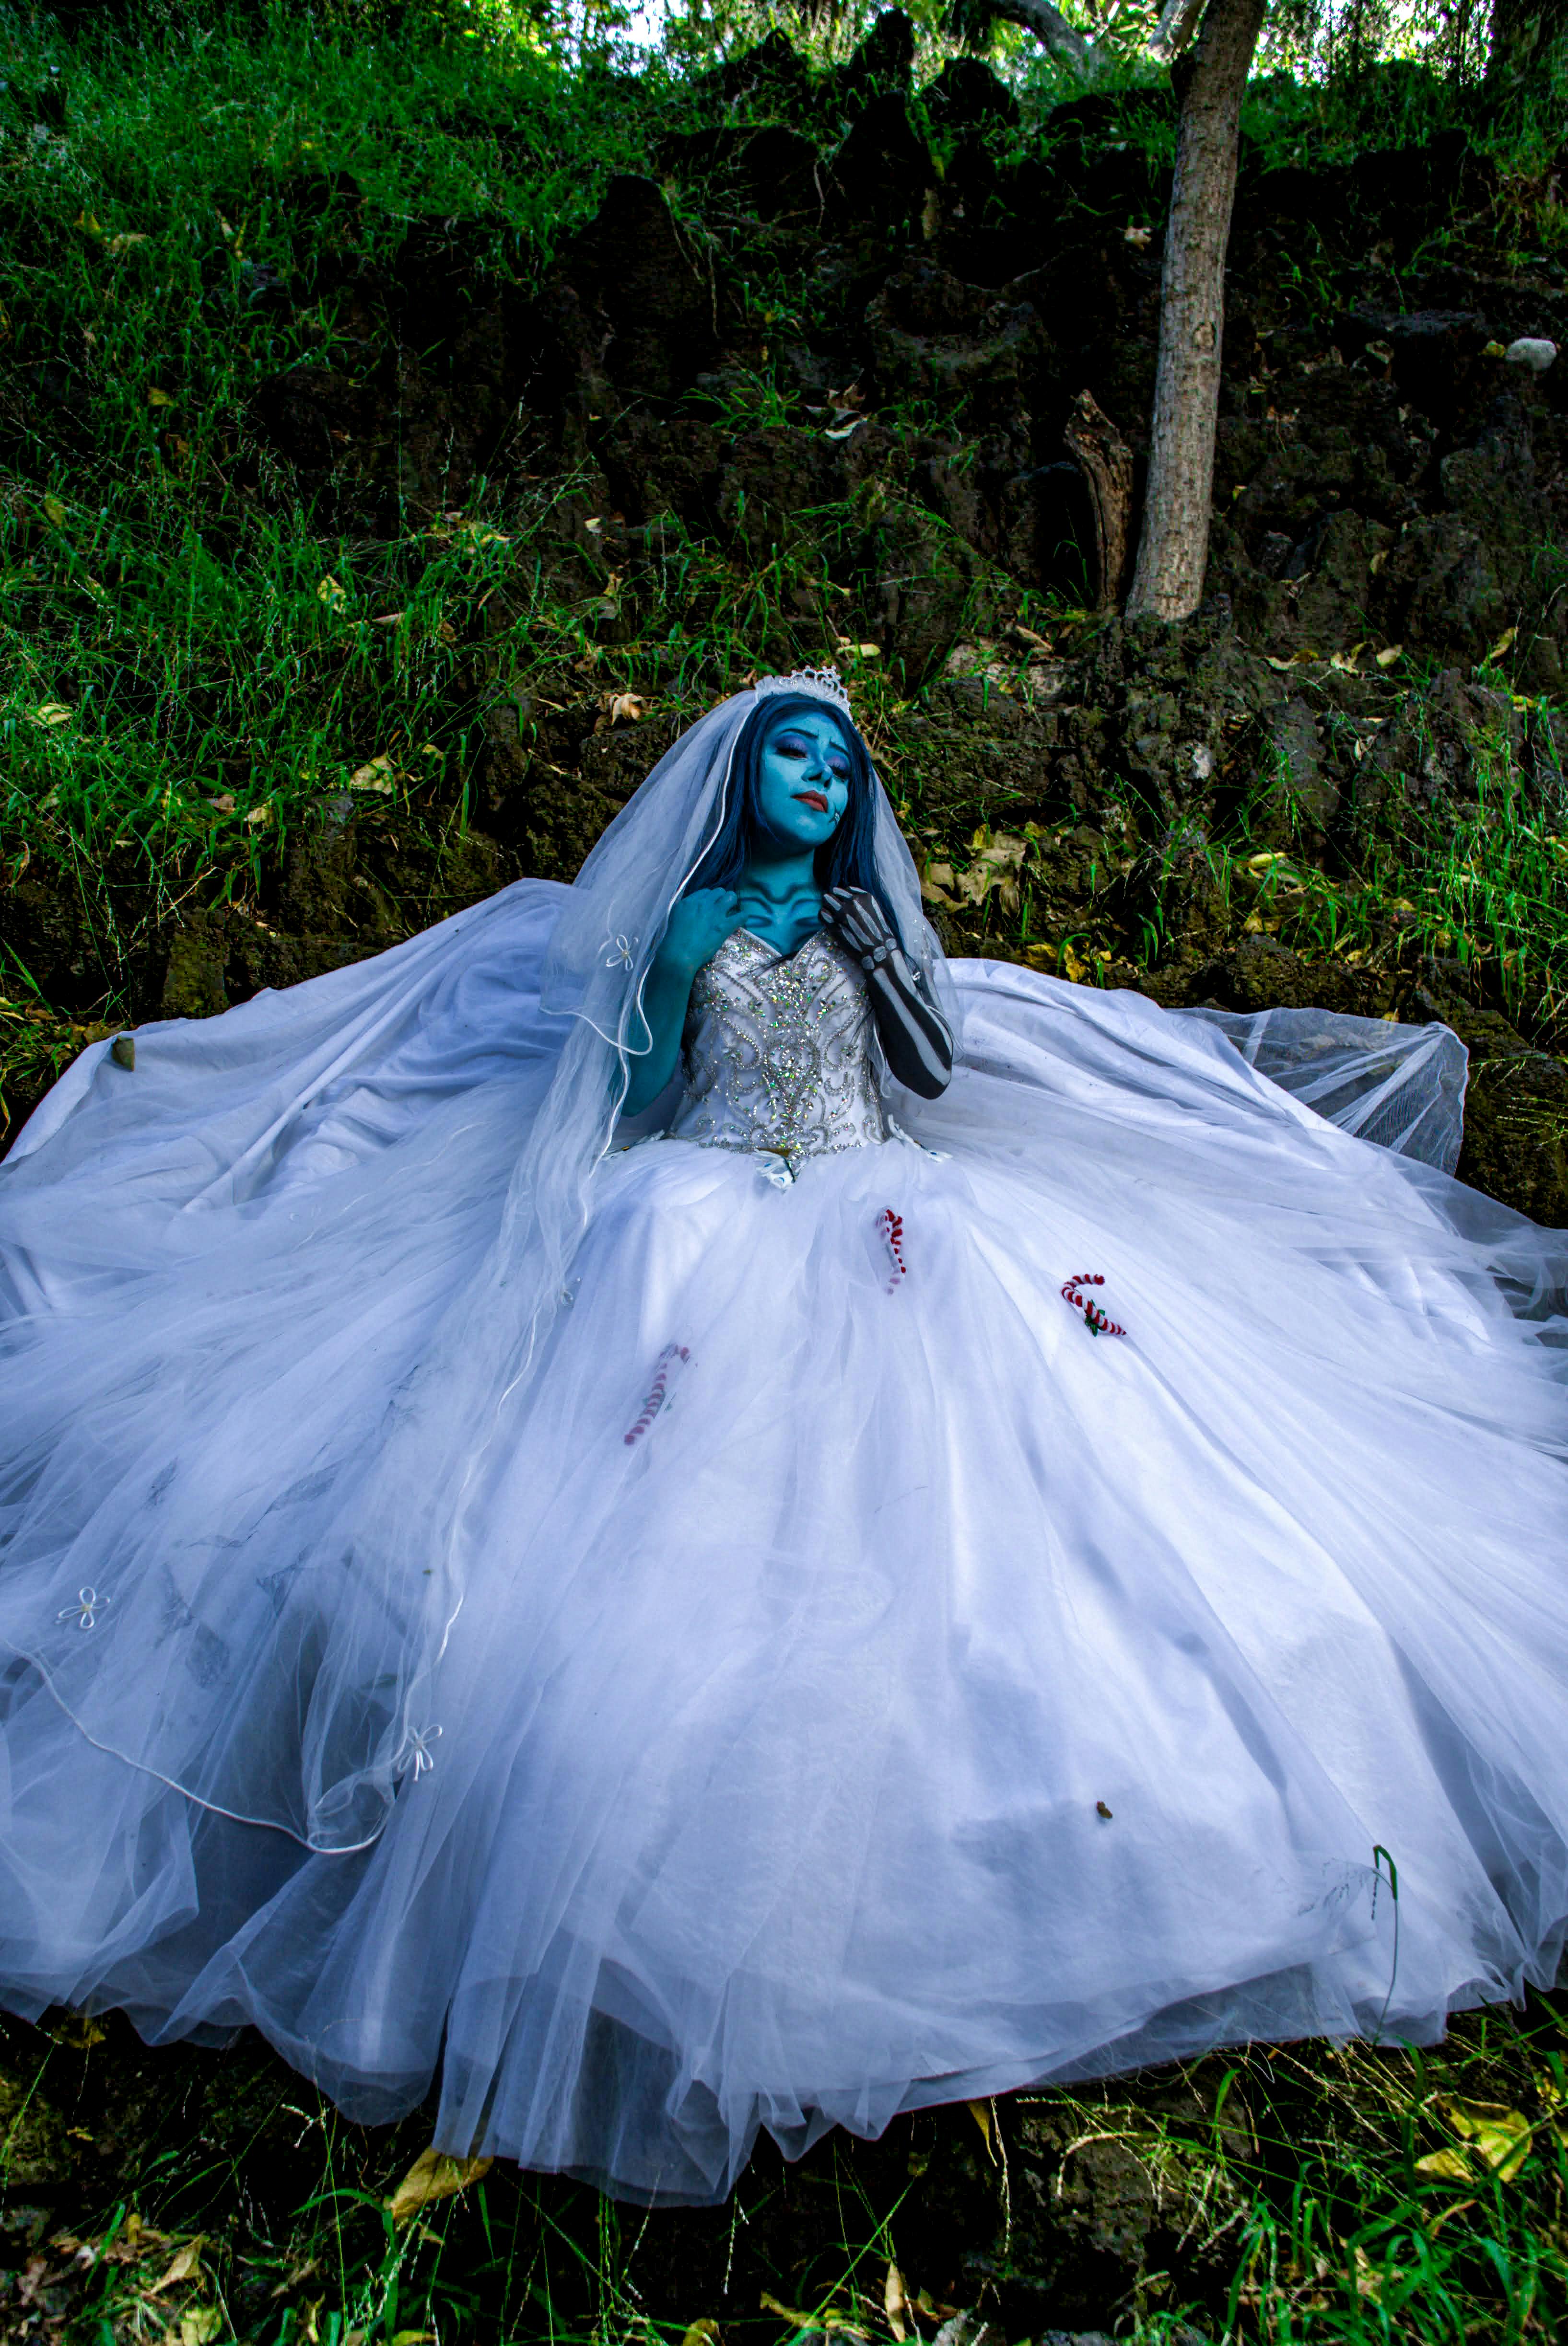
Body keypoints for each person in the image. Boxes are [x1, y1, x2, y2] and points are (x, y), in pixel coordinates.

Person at [1, 666, 1567, 2208]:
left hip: (890, 1204)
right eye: (794, 753)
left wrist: (880, 951)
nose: (822, 776)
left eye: (843, 763)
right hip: (705, 1204)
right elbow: (628, 1104)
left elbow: (933, 1074)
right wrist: (680, 970)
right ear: (739, 779)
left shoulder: (867, 920)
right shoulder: (687, 920)